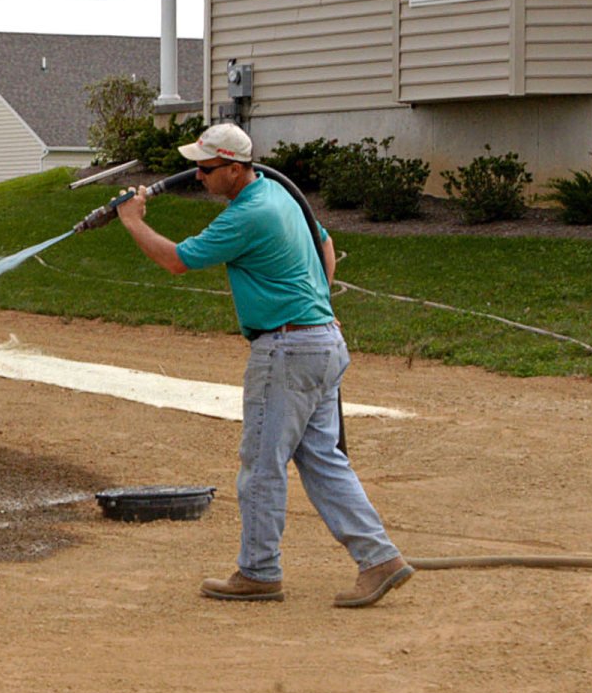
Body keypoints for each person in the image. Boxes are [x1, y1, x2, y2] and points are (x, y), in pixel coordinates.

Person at [112, 123, 412, 608]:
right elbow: (325, 244)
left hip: (287, 350)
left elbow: (177, 261)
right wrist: (317, 299)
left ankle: (258, 571)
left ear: (235, 169)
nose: (199, 176)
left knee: (261, 464)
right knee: (321, 460)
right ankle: (379, 558)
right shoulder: (277, 194)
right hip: (321, 341)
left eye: (207, 169)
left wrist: (132, 220)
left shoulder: (248, 215)